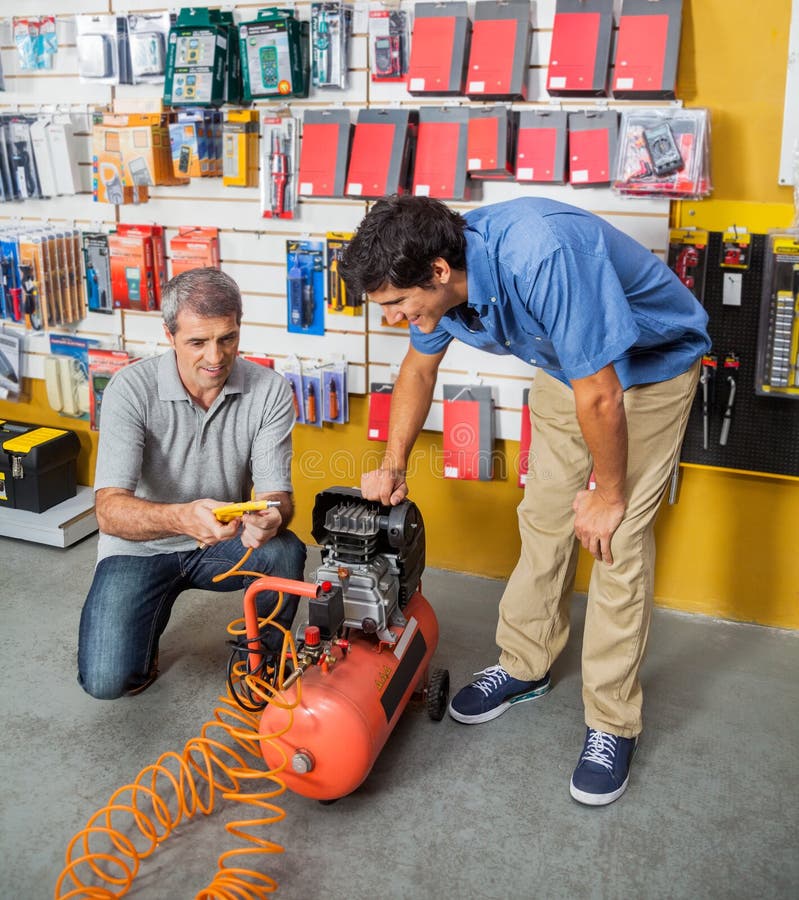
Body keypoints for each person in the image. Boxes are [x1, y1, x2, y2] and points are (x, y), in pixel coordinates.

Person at [339, 195, 710, 806]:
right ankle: (525, 663)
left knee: (610, 540)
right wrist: (391, 464)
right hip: (571, 372)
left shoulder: (541, 255)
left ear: (437, 271)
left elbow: (604, 396)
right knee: (544, 520)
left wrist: (608, 494)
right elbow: (417, 372)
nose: (394, 317)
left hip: (648, 370)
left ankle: (613, 724)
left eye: (397, 304)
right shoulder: (440, 289)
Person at [78, 268, 306, 700]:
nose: (216, 357)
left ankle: (257, 664)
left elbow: (278, 494)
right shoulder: (130, 389)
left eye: (228, 338)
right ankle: (142, 648)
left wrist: (272, 516)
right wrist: (183, 518)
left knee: (285, 552)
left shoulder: (270, 390)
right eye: (197, 342)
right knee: (106, 682)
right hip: (140, 547)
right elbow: (108, 511)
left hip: (224, 541)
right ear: (169, 335)